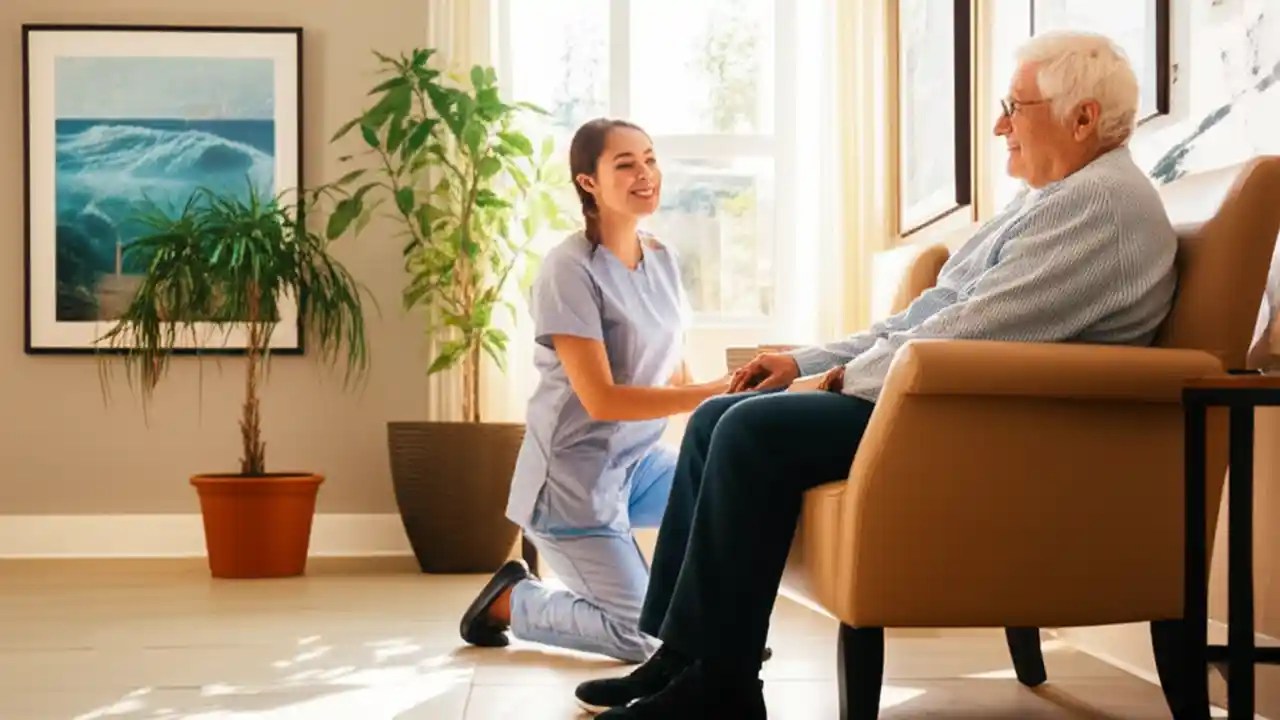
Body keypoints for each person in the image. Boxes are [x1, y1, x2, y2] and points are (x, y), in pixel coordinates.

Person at [573, 30, 1180, 718]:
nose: (999, 124)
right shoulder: (1051, 198)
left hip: (979, 428)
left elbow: (973, 334)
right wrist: (803, 361)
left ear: (1082, 119)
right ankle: (686, 658)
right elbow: (928, 317)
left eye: (1016, 105)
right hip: (944, 402)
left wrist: (837, 380)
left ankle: (723, 687)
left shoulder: (1100, 204)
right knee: (719, 417)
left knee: (749, 432)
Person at [458, 118, 730, 672]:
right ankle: (513, 601)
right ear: (588, 182)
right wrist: (709, 394)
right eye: (625, 164)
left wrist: (727, 401)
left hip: (637, 464)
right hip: (571, 483)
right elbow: (602, 400)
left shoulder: (663, 259)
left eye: (650, 159)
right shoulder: (568, 269)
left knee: (726, 492)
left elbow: (673, 368)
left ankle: (711, 625)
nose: (645, 174)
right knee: (635, 639)